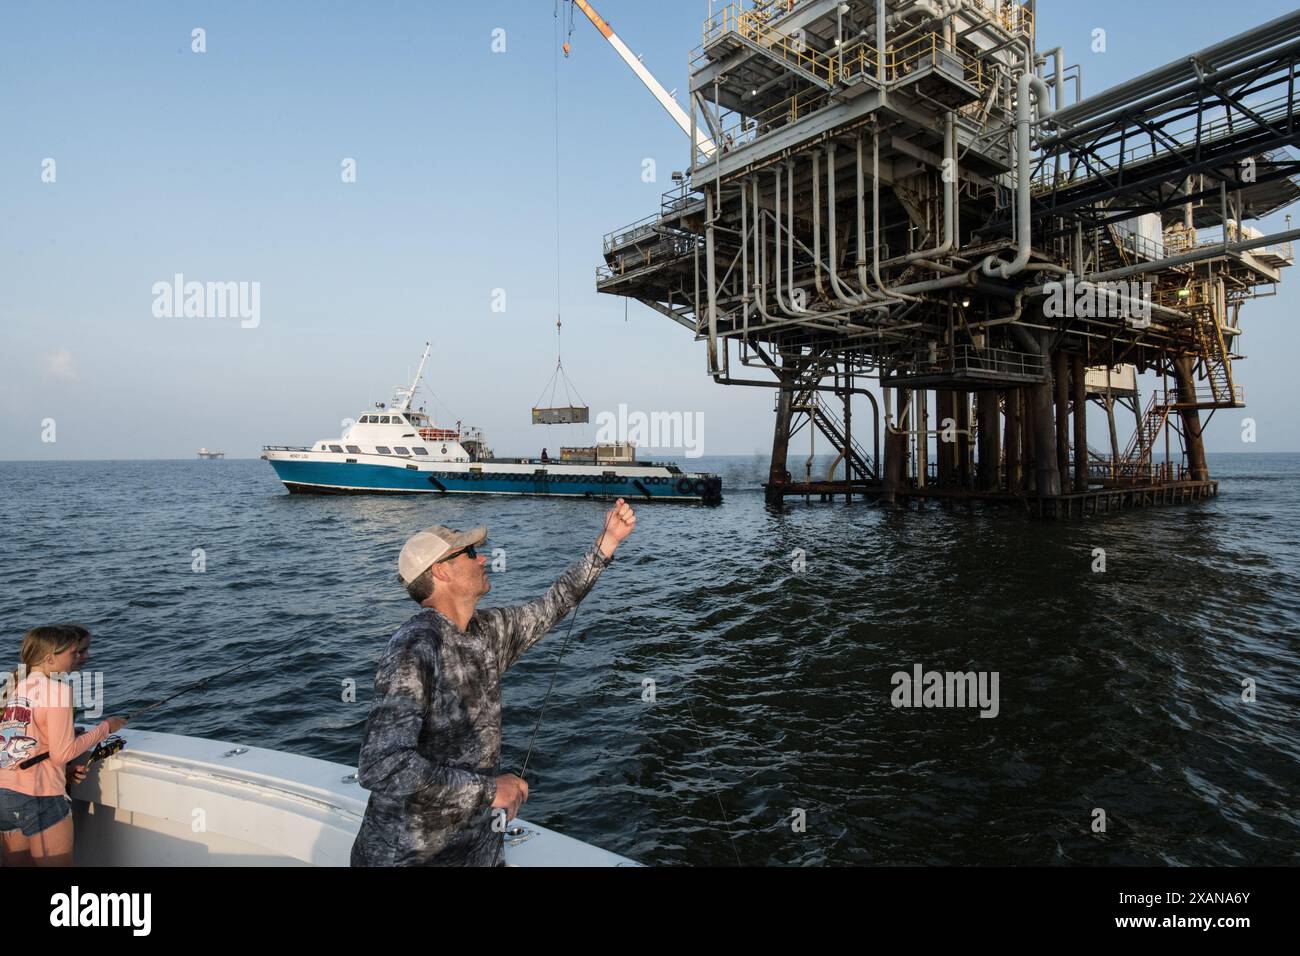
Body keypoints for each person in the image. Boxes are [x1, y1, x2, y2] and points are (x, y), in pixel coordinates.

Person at [350, 498, 637, 867]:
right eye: (470, 553)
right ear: (441, 572)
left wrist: (608, 541)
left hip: (477, 852)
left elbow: (555, 603)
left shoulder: (487, 630)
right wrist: (489, 790)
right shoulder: (416, 646)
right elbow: (382, 764)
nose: (483, 558)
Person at [0, 625, 128, 866]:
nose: (81, 656)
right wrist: (106, 728)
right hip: (39, 796)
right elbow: (63, 754)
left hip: (5, 795)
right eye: (73, 652)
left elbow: (18, 744)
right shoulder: (58, 690)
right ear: (50, 658)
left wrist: (66, 736)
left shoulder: (16, 687)